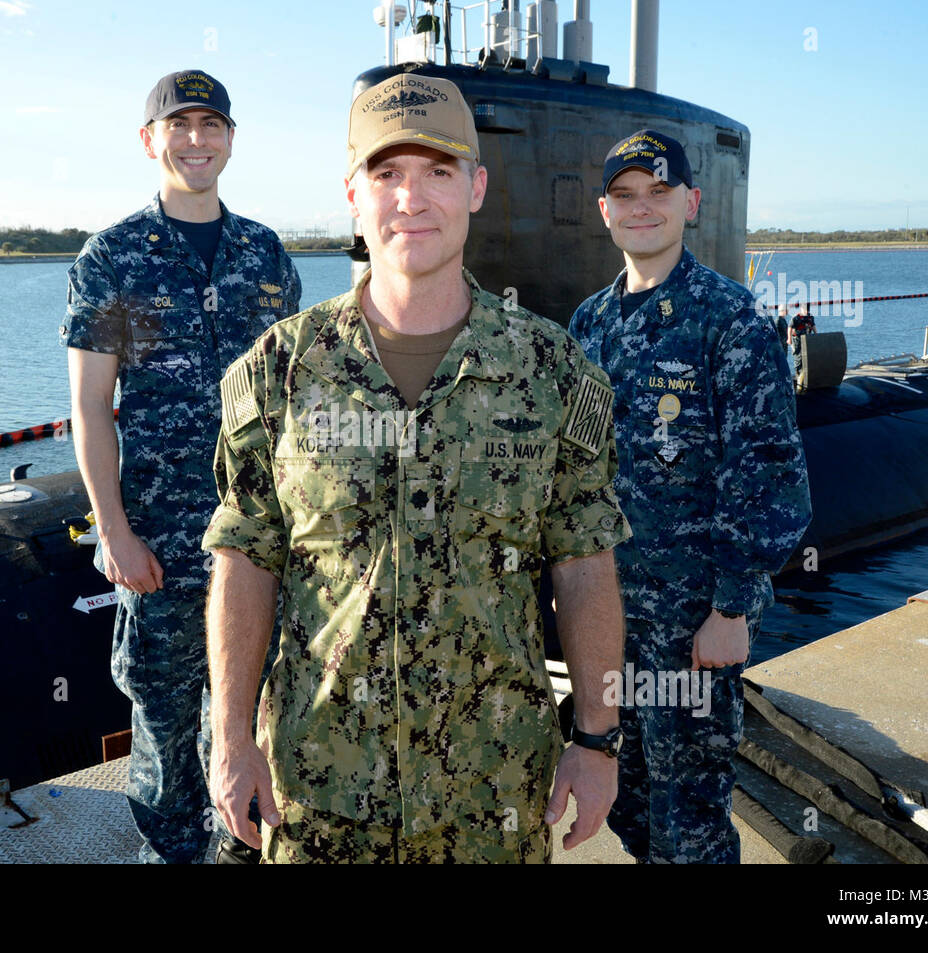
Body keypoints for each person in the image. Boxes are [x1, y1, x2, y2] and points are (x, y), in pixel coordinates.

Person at [203, 74, 630, 863]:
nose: (412, 198)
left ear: (477, 186)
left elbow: (584, 559)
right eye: (387, 173)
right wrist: (231, 739)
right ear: (353, 195)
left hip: (493, 796)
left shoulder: (552, 370)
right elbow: (245, 559)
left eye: (438, 171)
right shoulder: (278, 371)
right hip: (319, 794)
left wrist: (597, 739)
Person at [61, 69, 301, 864]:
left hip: (261, 546)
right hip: (161, 549)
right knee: (164, 740)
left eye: (211, 125)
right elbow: (93, 407)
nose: (196, 139)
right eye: (180, 124)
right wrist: (113, 530)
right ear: (150, 140)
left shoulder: (267, 255)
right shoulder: (112, 258)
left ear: (231, 139)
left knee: (256, 733)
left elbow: (295, 404)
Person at [568, 129, 811, 863]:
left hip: (692, 624)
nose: (642, 209)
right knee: (633, 806)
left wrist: (732, 607)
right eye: (625, 196)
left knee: (691, 821)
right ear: (605, 212)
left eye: (659, 193)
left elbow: (768, 468)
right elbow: (574, 471)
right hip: (610, 615)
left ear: (691, 203)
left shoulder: (729, 320)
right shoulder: (590, 324)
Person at [789, 305, 816, 384]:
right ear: (801, 309)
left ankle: (805, 376)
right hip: (797, 339)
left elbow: (813, 325)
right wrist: (789, 339)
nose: (806, 312)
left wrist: (816, 334)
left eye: (807, 310)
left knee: (807, 357)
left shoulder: (810, 317)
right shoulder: (796, 318)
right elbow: (790, 328)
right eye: (804, 310)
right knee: (798, 358)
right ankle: (798, 376)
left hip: (807, 339)